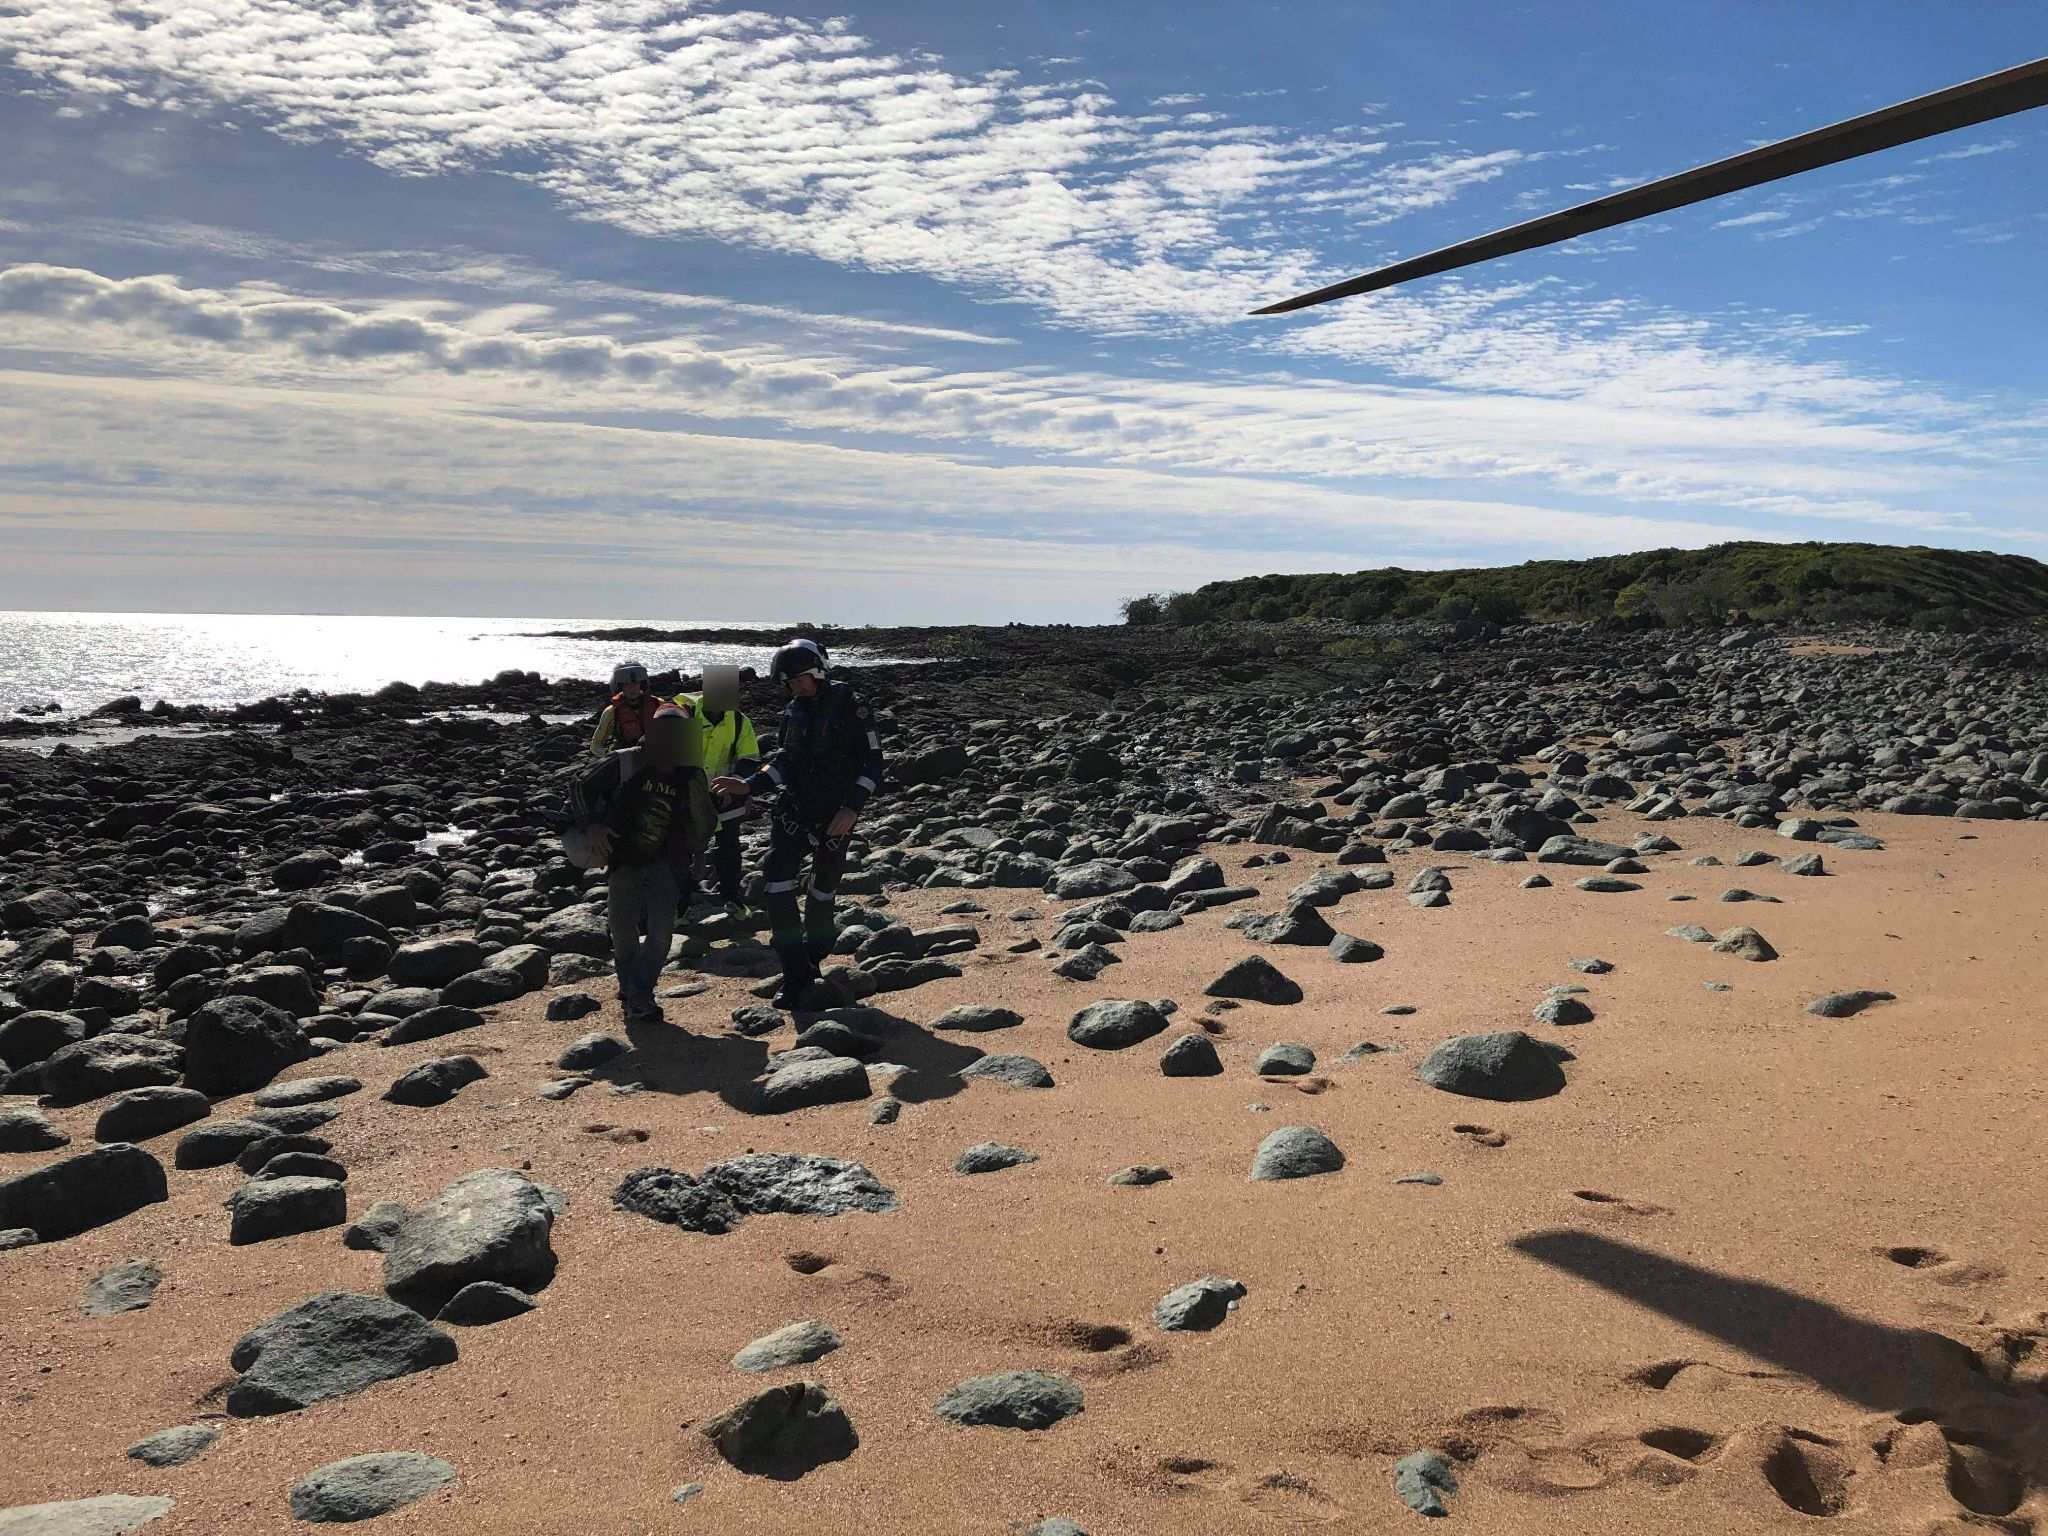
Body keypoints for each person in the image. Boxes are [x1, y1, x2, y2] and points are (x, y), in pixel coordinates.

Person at [712, 639, 883, 1010]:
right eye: (790, 683)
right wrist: (748, 785)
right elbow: (784, 760)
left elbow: (873, 765)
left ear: (819, 671)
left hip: (835, 814)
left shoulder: (851, 706)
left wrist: (852, 809)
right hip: (794, 811)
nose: (797, 688)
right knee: (775, 879)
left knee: (822, 891)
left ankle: (815, 956)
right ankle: (795, 975)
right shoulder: (792, 712)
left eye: (802, 679)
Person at [565, 704, 712, 1024]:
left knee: (661, 933)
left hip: (667, 863)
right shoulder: (626, 760)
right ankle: (630, 987)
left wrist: (699, 856)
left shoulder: (692, 773)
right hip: (624, 859)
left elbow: (701, 821)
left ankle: (639, 991)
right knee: (622, 928)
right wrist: (591, 826)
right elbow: (578, 786)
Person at [685, 663, 762, 915]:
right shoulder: (684, 715)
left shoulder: (740, 722)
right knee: (681, 848)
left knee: (729, 846)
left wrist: (736, 785)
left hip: (726, 797)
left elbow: (750, 760)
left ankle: (732, 897)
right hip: (687, 796)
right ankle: (681, 902)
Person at [589, 659, 667, 758]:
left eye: (635, 683)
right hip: (627, 756)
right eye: (627, 684)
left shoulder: (658, 704)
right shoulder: (612, 712)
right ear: (620, 686)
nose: (632, 688)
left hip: (655, 754)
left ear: (641, 684)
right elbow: (595, 745)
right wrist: (610, 756)